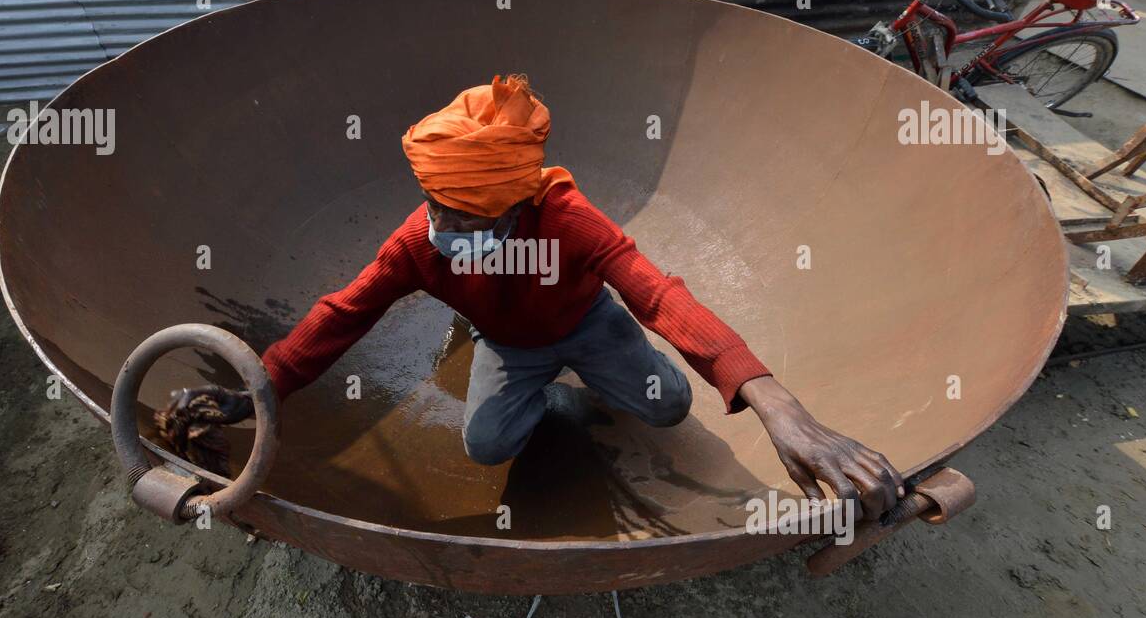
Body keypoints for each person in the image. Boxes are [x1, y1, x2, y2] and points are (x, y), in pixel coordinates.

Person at [159, 74, 905, 519]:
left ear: (515, 204)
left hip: (588, 324)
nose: (442, 224)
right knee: (487, 443)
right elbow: (340, 314)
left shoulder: (568, 221)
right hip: (509, 344)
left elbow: (657, 294)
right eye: (433, 202)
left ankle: (591, 368)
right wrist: (254, 390)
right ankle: (547, 392)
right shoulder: (420, 241)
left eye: (464, 214)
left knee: (669, 404)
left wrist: (783, 409)